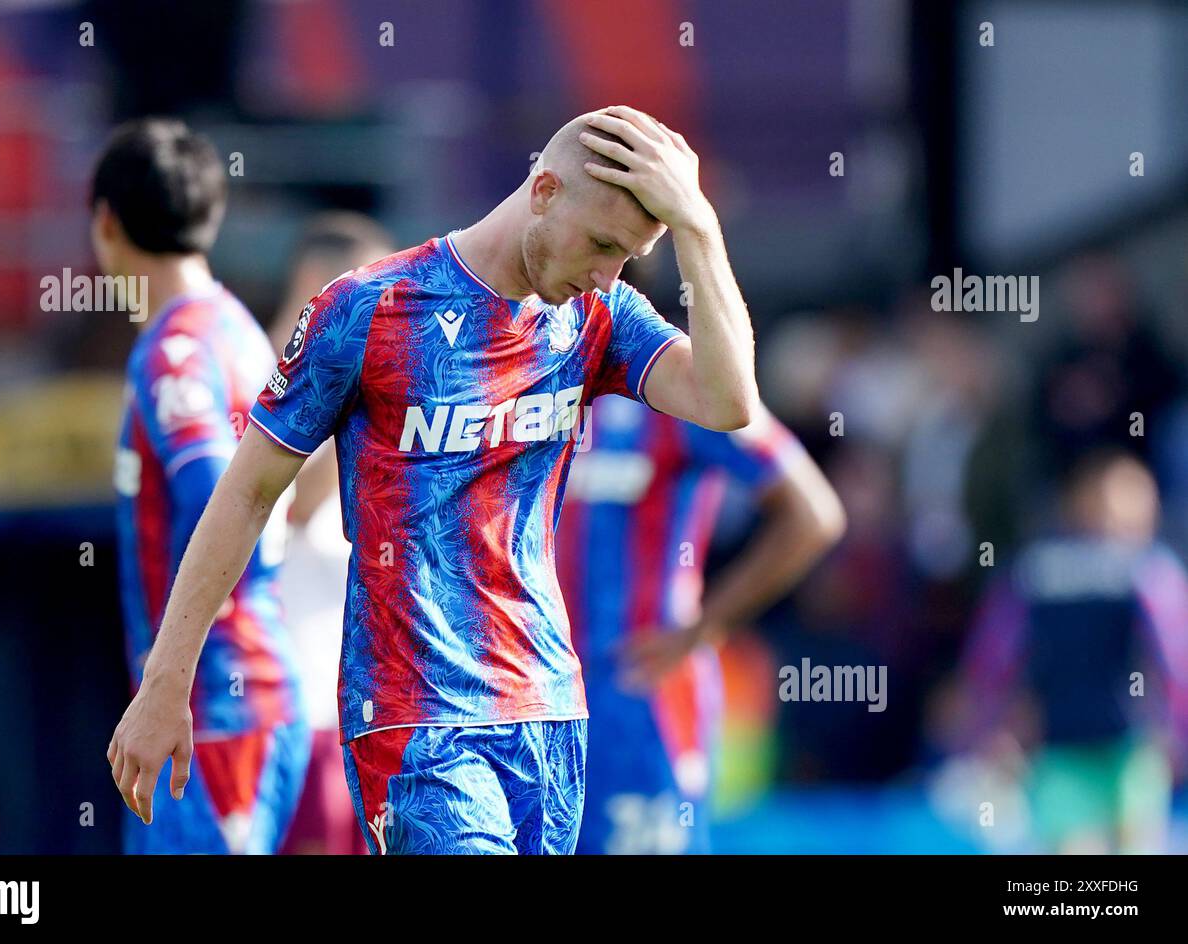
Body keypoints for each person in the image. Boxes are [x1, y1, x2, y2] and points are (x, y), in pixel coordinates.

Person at [109, 105, 760, 854]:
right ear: (543, 191)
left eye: (631, 254)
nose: (608, 272)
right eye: (604, 244)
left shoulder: (599, 315)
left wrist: (700, 230)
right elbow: (246, 492)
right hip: (417, 720)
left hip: (549, 709)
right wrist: (166, 681)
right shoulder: (368, 307)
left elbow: (728, 398)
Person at [98, 118, 308, 853]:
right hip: (232, 706)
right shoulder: (237, 330)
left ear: (105, 223)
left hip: (212, 716)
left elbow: (220, 492)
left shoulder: (177, 351)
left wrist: (168, 686)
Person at [557, 396, 843, 853]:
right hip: (532, 697)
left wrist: (704, 628)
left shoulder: (683, 385)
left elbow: (813, 514)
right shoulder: (527, 380)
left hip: (642, 698)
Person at [956, 449, 1188, 853]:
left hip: (1124, 751)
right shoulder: (1145, 571)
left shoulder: (1038, 570)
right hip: (1074, 751)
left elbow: (990, 664)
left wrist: (989, 726)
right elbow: (1176, 662)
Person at [270, 213, 394, 855]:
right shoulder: (258, 379)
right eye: (377, 289)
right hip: (293, 699)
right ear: (327, 286)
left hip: (351, 707)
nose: (393, 306)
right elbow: (284, 503)